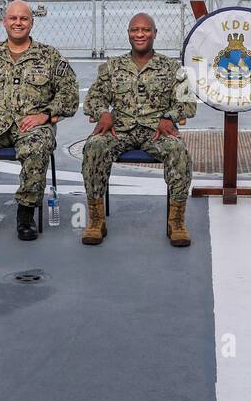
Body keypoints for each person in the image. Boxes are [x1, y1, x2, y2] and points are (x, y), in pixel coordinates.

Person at [0, 0, 78, 242]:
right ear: (4, 21)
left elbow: (69, 94)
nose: (18, 23)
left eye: (24, 19)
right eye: (13, 18)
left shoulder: (49, 56)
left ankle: (25, 214)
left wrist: (45, 115)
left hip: (31, 127)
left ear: (32, 23)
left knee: (37, 147)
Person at [80, 13, 196, 246]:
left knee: (178, 151)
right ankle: (95, 219)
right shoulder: (112, 67)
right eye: (135, 30)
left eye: (145, 30)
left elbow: (188, 103)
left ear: (154, 33)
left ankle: (176, 221)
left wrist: (169, 117)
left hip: (156, 132)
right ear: (129, 34)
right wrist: (103, 112)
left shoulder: (172, 67)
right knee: (94, 146)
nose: (140, 34)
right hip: (119, 130)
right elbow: (93, 98)